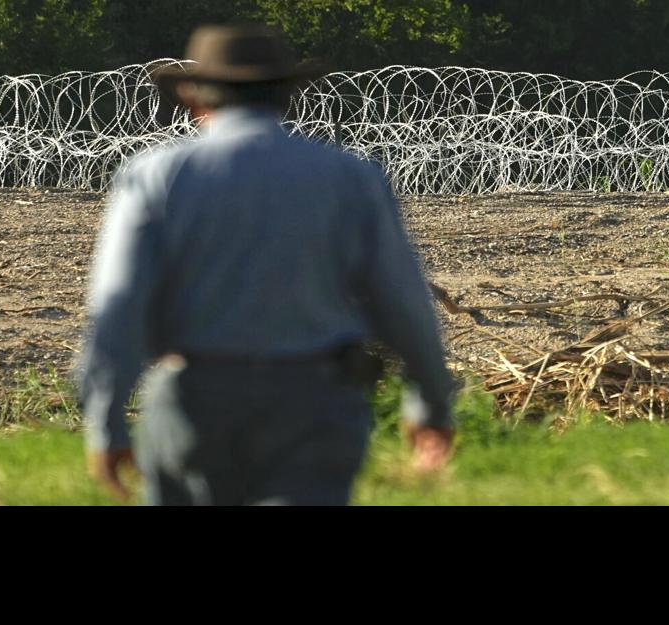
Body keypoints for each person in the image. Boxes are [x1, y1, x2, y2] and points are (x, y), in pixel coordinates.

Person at [77, 24, 456, 505]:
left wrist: (106, 421)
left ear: (192, 97)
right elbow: (402, 300)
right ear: (287, 96)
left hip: (195, 396)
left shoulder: (157, 174)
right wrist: (431, 402)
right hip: (315, 399)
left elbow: (119, 303)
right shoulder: (350, 176)